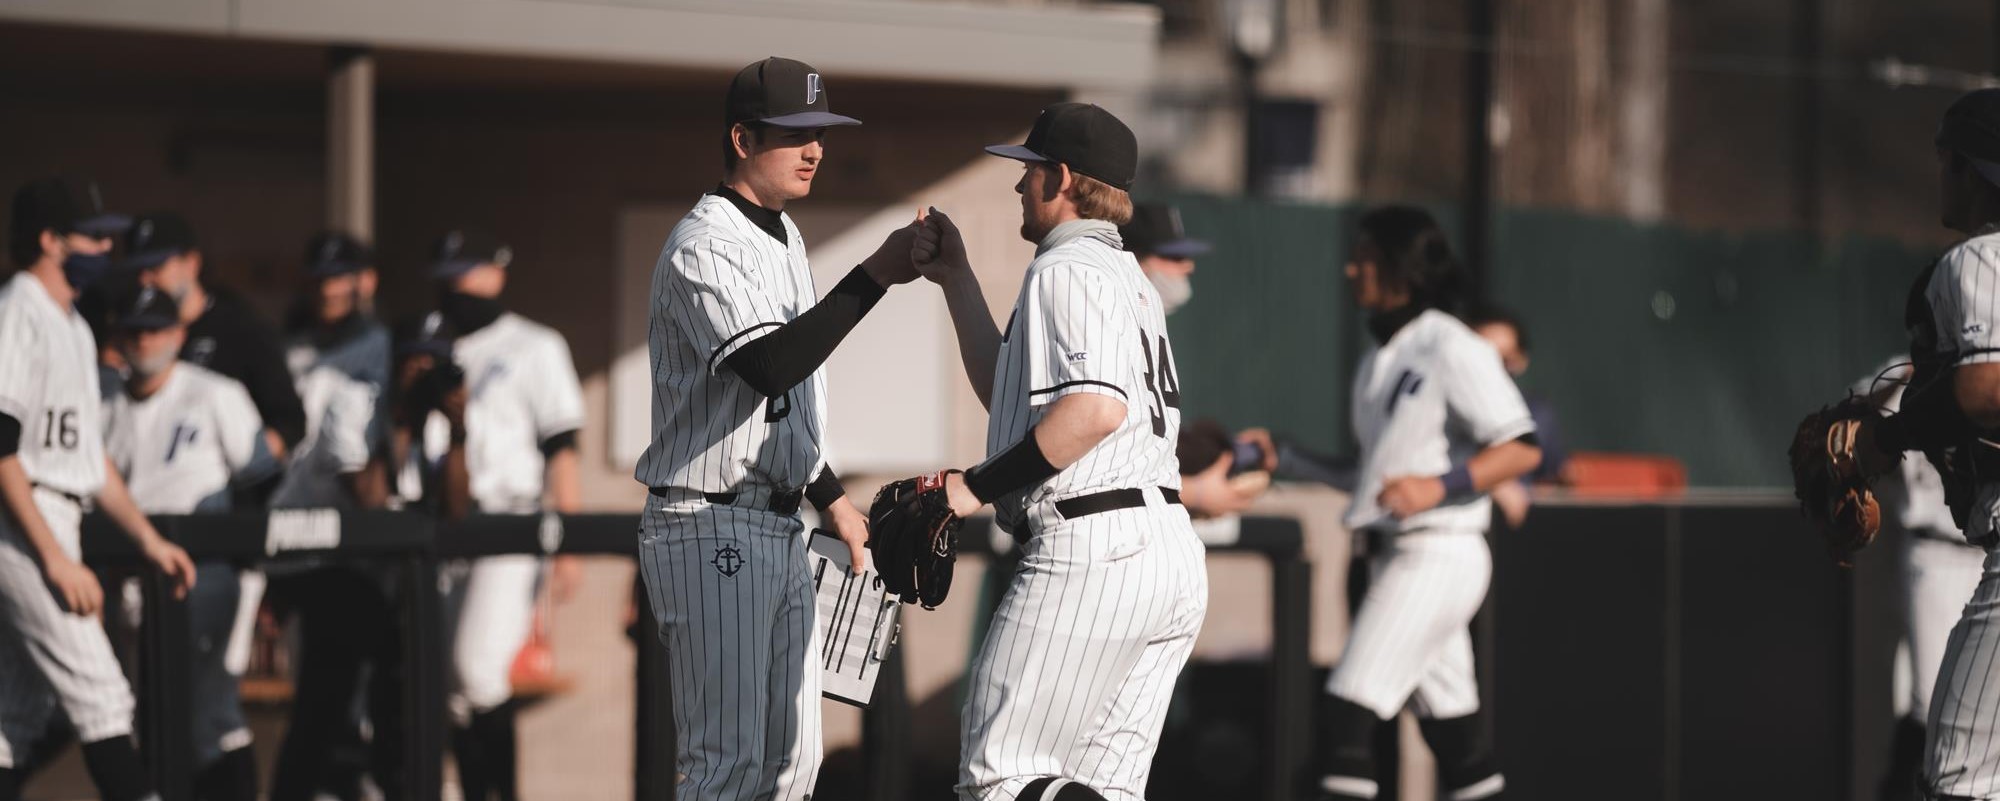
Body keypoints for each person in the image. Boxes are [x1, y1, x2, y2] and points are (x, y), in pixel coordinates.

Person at [632, 56, 921, 801]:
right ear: (742, 138)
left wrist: (833, 499)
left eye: (820, 132)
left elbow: (779, 407)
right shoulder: (703, 243)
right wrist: (877, 273)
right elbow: (770, 365)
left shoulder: (784, 235)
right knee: (726, 766)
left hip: (779, 524)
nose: (815, 148)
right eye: (795, 133)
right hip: (707, 524)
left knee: (793, 768)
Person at [907, 101, 1209, 801]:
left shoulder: (1065, 267)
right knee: (1102, 787)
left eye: (1031, 169)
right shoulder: (1128, 277)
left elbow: (1094, 412)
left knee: (997, 777)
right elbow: (1015, 400)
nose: (1021, 184)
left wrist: (971, 486)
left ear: (1063, 177)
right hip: (1164, 550)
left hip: (1097, 545)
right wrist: (957, 278)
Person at [1298, 206, 1540, 801]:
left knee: (1346, 719)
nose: (1351, 269)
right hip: (1390, 552)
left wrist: (1438, 486)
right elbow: (1370, 478)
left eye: (1365, 258)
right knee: (1459, 746)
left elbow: (1520, 447)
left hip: (1437, 553)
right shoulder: (1379, 358)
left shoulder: (1451, 344)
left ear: (1400, 267)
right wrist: (1284, 455)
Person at [0, 176, 196, 801]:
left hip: (53, 510)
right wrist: (53, 558)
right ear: (49, 240)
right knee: (104, 699)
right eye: (92, 237)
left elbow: (92, 460)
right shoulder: (18, 309)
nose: (106, 250)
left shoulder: (76, 326)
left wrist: (147, 538)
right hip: (23, 517)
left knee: (14, 718)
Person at [1856, 87, 2000, 800]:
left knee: (1957, 774)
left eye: (1947, 160)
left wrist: (1894, 431)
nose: (1941, 175)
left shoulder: (1980, 256)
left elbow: (1986, 386)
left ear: (1972, 169)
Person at [413, 228, 587, 801]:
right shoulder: (432, 345)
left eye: (466, 271)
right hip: (442, 521)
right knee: (452, 687)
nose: (456, 286)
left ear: (496, 271)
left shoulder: (534, 345)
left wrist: (569, 543)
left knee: (478, 669)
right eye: (448, 275)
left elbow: (562, 448)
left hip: (509, 518)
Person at [100, 285, 277, 801]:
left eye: (155, 329)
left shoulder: (215, 392)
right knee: (140, 716)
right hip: (130, 575)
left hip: (208, 572)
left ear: (179, 334)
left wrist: (258, 576)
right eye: (134, 331)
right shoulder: (103, 402)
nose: (144, 341)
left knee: (209, 715)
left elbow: (261, 484)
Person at [265, 232, 399, 801]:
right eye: (320, 278)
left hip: (358, 546)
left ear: (366, 281)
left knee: (347, 700)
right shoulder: (291, 351)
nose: (328, 289)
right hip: (292, 542)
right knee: (312, 692)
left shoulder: (384, 348)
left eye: (340, 277)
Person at [1848, 357, 1985, 801]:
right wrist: (1911, 382)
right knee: (1933, 703)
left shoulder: (1986, 369)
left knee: (1976, 703)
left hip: (1987, 552)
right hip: (1931, 555)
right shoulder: (1904, 366)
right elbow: (1854, 419)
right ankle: (1899, 789)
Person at [127, 211, 307, 462]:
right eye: (137, 270)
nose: (145, 280)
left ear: (191, 263)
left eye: (156, 268)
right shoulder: (126, 333)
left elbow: (289, 423)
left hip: (219, 479)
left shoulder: (239, 327)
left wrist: (246, 470)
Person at [1463, 305, 1567, 528]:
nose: (1494, 370)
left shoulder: (1538, 413)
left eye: (1505, 360)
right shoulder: (1442, 409)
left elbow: (1551, 477)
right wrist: (1490, 481)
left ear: (1521, 360)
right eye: (1485, 359)